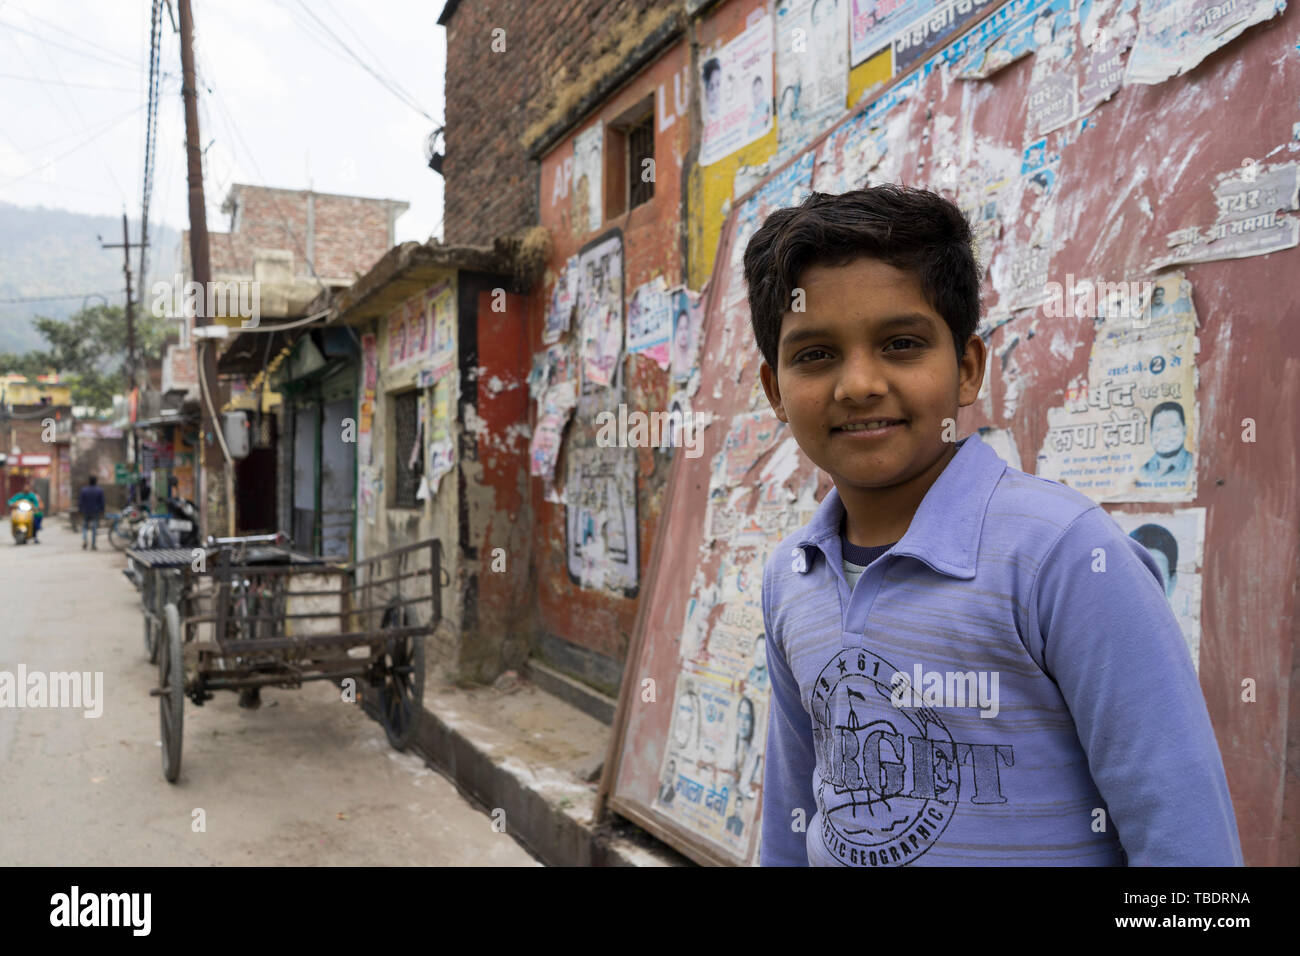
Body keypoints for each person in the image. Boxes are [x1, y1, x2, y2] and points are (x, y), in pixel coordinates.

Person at [744, 185, 1240, 866]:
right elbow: (793, 813)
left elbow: (1187, 842)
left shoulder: (1064, 557)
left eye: (901, 343)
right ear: (774, 389)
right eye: (815, 354)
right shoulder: (791, 577)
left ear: (968, 368)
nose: (857, 383)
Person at [1136, 401, 1193, 485]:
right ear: (1151, 435)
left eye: (1173, 426)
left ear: (1185, 430)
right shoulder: (1143, 471)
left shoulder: (1194, 466)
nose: (1166, 434)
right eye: (1159, 429)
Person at [78, 474, 106, 550]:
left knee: (84, 527)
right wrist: (102, 510)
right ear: (95, 481)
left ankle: (85, 540)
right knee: (94, 528)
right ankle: (93, 545)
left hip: (86, 511)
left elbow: (80, 501)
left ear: (89, 481)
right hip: (95, 511)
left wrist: (80, 510)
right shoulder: (99, 490)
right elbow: (102, 502)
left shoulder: (84, 490)